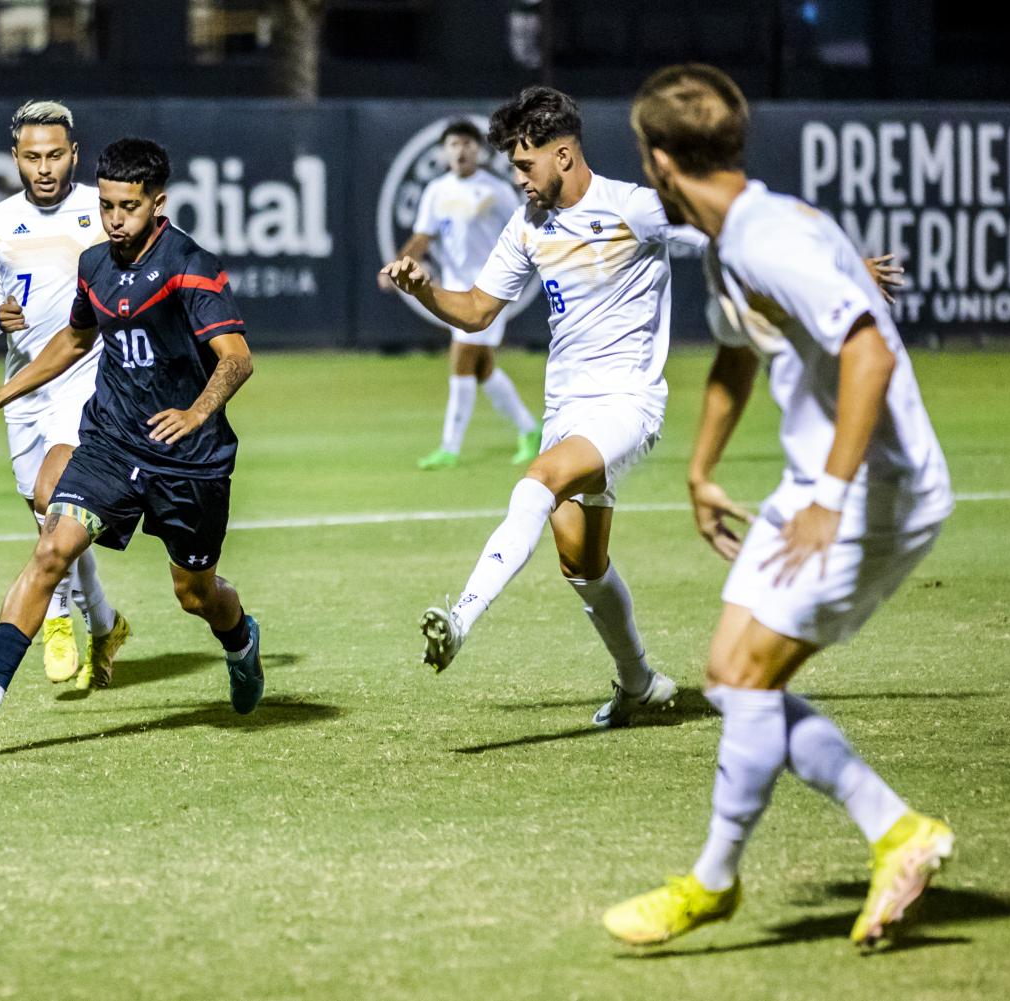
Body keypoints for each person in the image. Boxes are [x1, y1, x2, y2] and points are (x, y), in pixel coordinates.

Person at [603, 64, 955, 951]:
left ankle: (715, 882)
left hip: (873, 490)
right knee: (730, 675)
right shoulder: (734, 236)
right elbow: (737, 353)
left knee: (747, 678)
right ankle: (894, 831)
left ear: (657, 161)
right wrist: (699, 468)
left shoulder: (769, 239)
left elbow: (867, 353)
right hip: (820, 483)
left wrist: (831, 501)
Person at [382, 86, 695, 727]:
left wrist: (843, 267)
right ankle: (640, 683)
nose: (519, 179)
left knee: (537, 484)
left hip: (628, 402)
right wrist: (424, 291)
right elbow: (474, 310)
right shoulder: (528, 224)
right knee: (582, 562)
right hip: (567, 410)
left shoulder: (635, 208)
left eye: (526, 166)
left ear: (565, 154)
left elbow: (734, 232)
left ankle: (460, 617)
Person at [0, 136, 264, 732]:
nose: (115, 220)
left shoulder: (189, 266)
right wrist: (3, 392)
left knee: (194, 594)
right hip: (112, 442)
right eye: (109, 205)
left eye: (129, 208)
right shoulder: (95, 264)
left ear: (157, 203)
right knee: (51, 549)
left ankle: (242, 642)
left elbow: (236, 358)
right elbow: (74, 340)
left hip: (186, 459)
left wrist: (196, 414)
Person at [0, 99, 127, 689]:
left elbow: (162, 258)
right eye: (32, 156)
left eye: (55, 154)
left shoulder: (102, 210)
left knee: (51, 497)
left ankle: (56, 618)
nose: (44, 167)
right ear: (15, 159)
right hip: (23, 384)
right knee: (53, 523)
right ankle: (107, 624)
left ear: (74, 155)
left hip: (88, 380)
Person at [380, 119, 541, 470]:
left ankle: (449, 448)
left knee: (462, 358)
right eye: (454, 144)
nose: (461, 150)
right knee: (482, 369)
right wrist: (398, 266)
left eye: (468, 144)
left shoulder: (496, 191)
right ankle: (530, 429)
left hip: (489, 291)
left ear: (479, 151)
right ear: (444, 152)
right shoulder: (436, 191)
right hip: (454, 289)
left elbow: (525, 230)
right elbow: (422, 238)